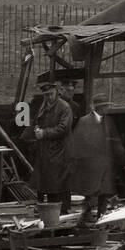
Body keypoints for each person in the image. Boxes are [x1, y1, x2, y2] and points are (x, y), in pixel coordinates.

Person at [68, 91, 125, 227]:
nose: (107, 108)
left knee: (104, 193)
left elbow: (115, 140)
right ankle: (85, 218)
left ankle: (102, 218)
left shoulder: (109, 121)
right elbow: (78, 143)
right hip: (90, 165)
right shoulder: (84, 121)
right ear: (98, 107)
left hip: (106, 164)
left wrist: (120, 154)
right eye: (105, 106)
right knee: (92, 193)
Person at [22, 80, 73, 213]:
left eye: (50, 94)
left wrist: (44, 133)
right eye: (46, 95)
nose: (48, 97)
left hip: (59, 151)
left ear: (56, 92)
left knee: (57, 183)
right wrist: (37, 129)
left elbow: (64, 128)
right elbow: (39, 121)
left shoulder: (64, 107)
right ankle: (51, 210)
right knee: (48, 183)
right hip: (45, 150)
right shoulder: (44, 106)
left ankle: (60, 210)